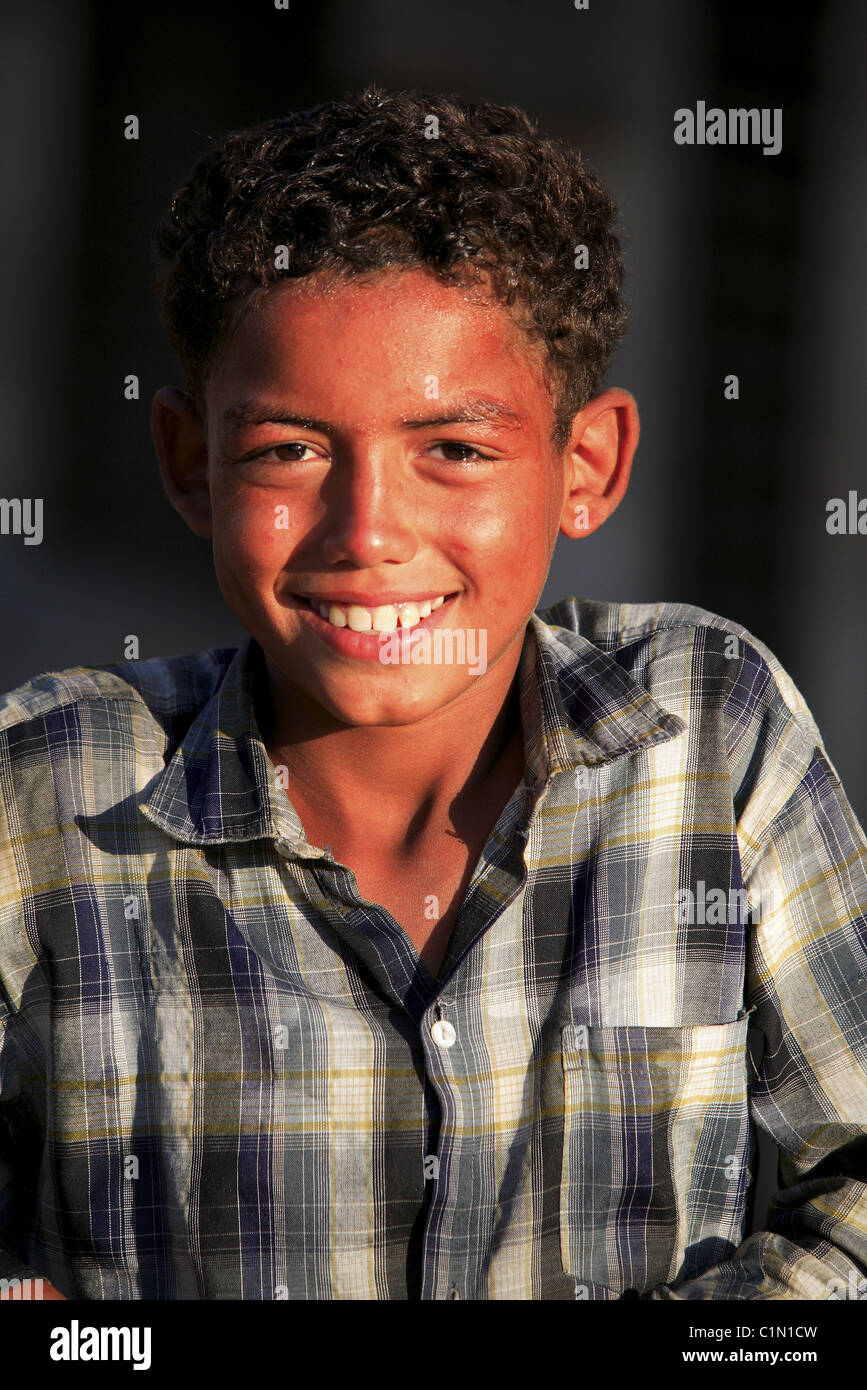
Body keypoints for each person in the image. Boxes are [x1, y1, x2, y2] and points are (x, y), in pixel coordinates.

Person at [1, 85, 865, 1301]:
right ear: (192, 468)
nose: (369, 533)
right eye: (289, 451)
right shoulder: (47, 790)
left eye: (453, 450)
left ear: (588, 465)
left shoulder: (712, 734)